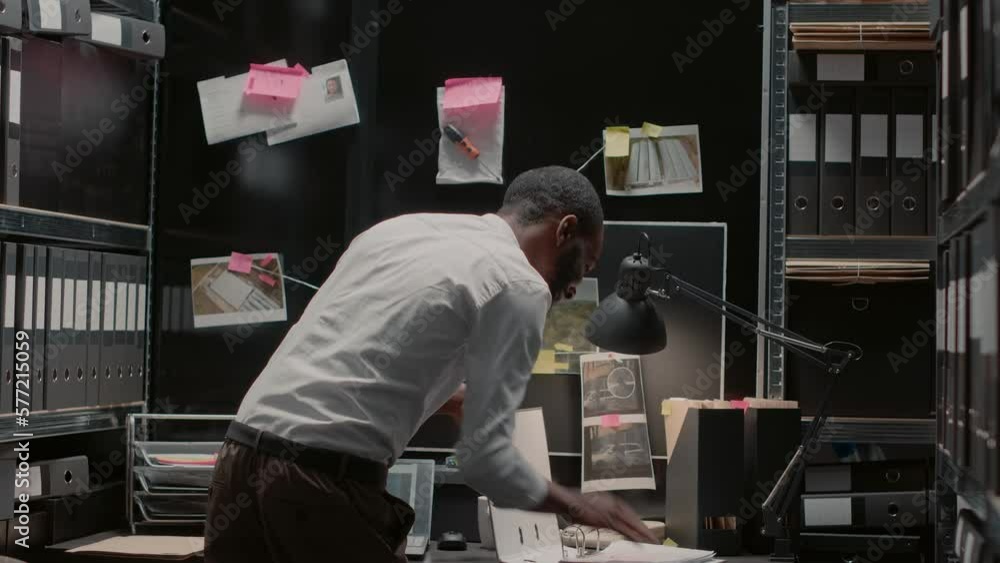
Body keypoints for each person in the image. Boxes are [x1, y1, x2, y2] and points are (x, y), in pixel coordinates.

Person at [204, 166, 657, 562]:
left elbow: (356, 359)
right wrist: (579, 505)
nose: (577, 286)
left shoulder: (401, 230)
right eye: (584, 263)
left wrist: (447, 398)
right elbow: (484, 464)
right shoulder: (520, 284)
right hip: (318, 486)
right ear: (564, 230)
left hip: (239, 459)